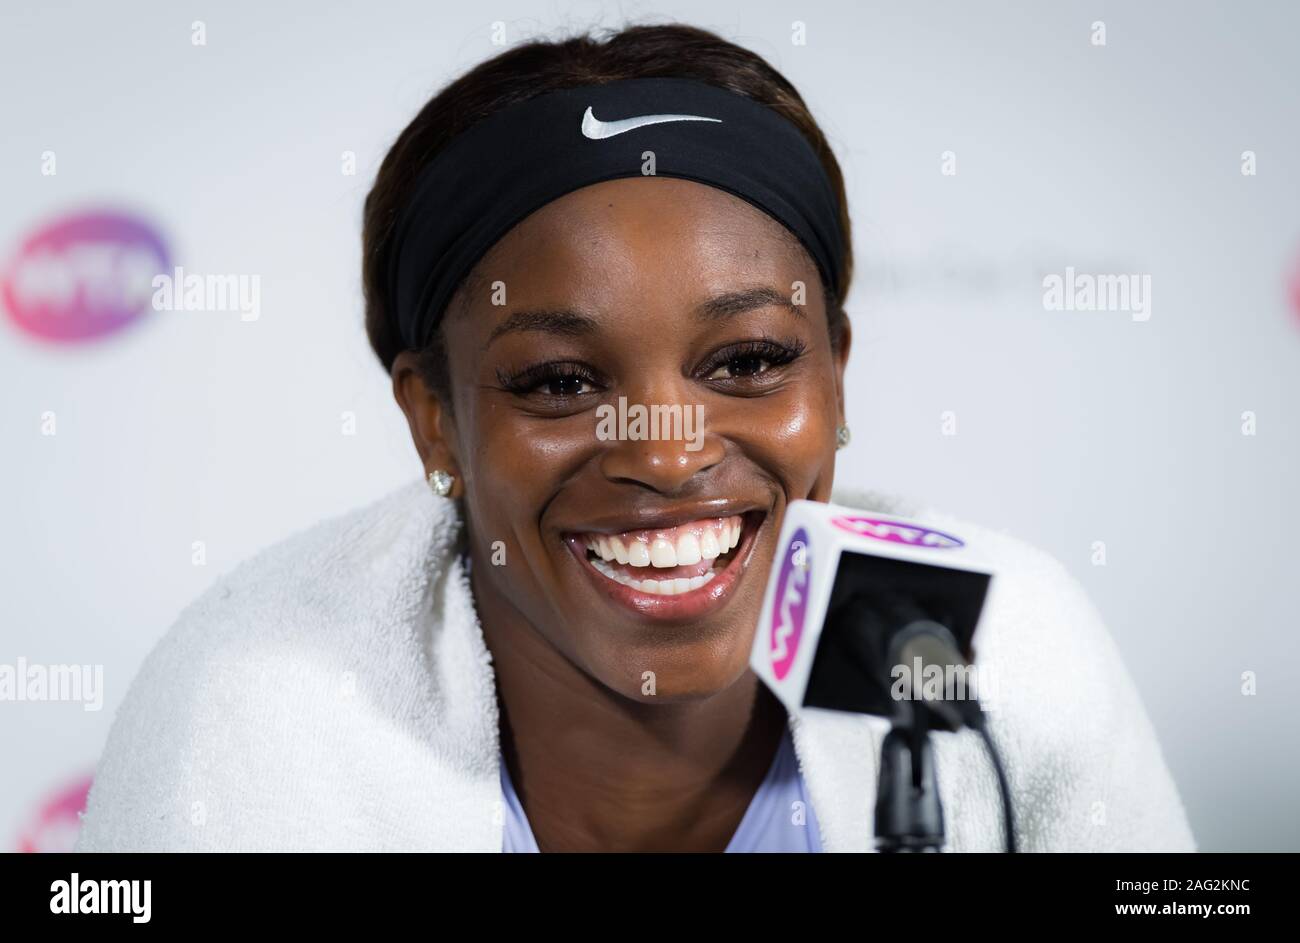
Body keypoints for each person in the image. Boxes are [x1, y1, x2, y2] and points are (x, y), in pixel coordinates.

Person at [75, 24, 1195, 852]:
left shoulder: (1003, 652)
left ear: (837, 371)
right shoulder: (257, 714)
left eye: (750, 361)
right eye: (560, 380)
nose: (665, 453)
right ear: (436, 420)